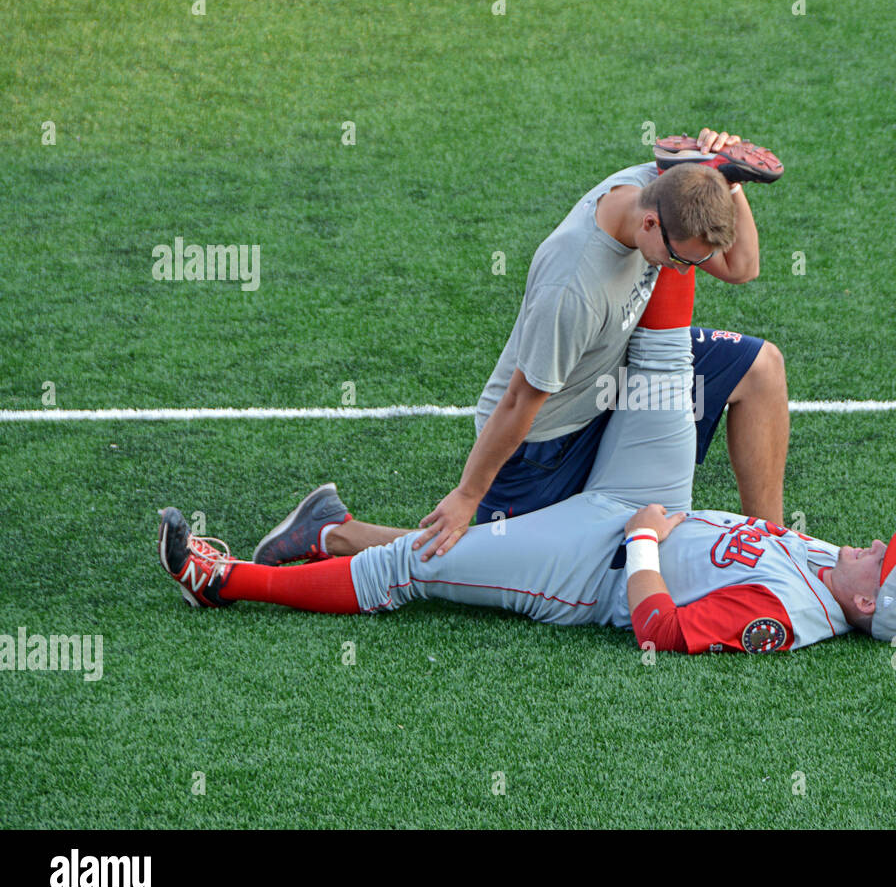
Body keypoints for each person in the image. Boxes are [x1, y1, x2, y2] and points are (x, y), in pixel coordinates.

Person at [156, 318, 896, 654]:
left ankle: (225, 579)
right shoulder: (849, 579)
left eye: (878, 559)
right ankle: (695, 182)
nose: (874, 545)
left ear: (864, 603)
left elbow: (662, 631)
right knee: (658, 361)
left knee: (416, 565)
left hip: (589, 570)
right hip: (647, 507)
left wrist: (646, 542)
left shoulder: (783, 618)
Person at [251, 128, 791, 573]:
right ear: (652, 224)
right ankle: (334, 531)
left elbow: (741, 268)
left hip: (612, 375)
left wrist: (726, 178)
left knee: (761, 368)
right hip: (545, 442)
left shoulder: (664, 194)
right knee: (491, 558)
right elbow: (518, 402)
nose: (681, 273)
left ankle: (769, 552)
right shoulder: (574, 287)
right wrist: (466, 494)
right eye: (680, 260)